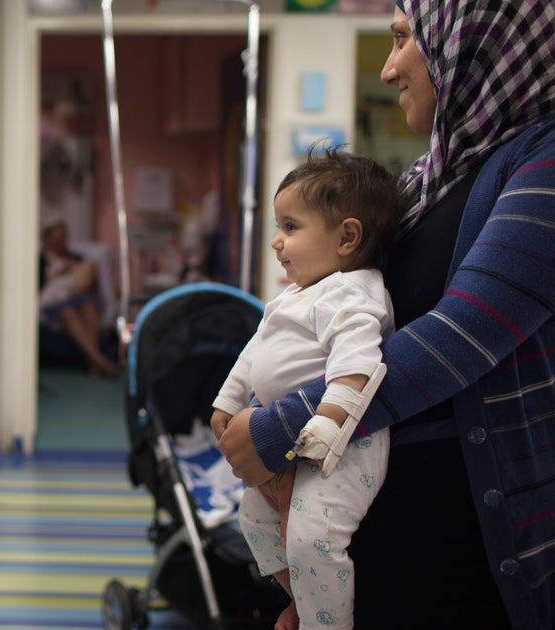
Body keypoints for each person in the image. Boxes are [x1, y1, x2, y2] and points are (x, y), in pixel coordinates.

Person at [214, 1, 555, 627]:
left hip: (464, 555)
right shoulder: (430, 180)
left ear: (471, 42)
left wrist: (278, 429)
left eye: (404, 40)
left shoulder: (543, 161)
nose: (390, 67)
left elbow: (461, 336)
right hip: (373, 536)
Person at [211, 147, 406, 630]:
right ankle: (304, 600)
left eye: (291, 227)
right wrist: (228, 399)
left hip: (343, 446)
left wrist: (325, 424)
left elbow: (358, 367)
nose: (278, 243)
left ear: (347, 237)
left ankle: (326, 623)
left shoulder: (353, 293)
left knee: (312, 538)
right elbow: (256, 349)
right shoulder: (296, 294)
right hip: (292, 445)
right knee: (254, 520)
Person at [38, 219, 119, 376]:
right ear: (48, 239)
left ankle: (92, 361)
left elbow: (90, 282)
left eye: (63, 238)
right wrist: (61, 274)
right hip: (54, 302)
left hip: (77, 297)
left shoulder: (76, 258)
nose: (61, 242)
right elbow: (41, 288)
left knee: (89, 304)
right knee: (68, 313)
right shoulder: (40, 262)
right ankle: (99, 361)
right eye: (57, 238)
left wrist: (84, 276)